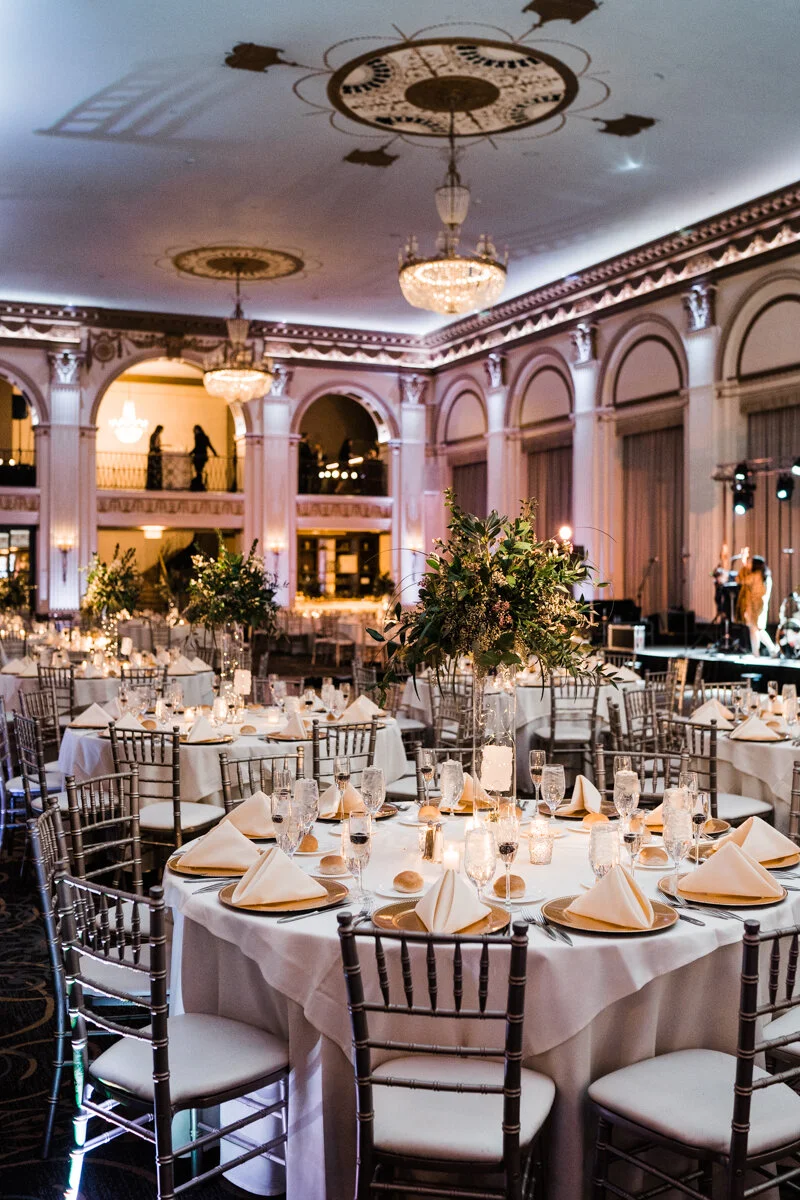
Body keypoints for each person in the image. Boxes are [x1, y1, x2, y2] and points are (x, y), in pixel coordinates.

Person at [736, 547, 777, 657]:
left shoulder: (756, 576)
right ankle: (771, 650)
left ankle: (757, 653)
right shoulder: (765, 575)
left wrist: (744, 565)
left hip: (754, 606)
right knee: (758, 629)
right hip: (761, 606)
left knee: (755, 629)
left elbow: (740, 580)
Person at [190, 424, 217, 492]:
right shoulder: (205, 437)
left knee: (198, 471)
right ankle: (200, 484)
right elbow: (210, 446)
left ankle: (198, 485)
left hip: (198, 456)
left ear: (197, 430)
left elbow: (197, 447)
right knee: (200, 470)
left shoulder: (197, 436)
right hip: (203, 456)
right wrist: (215, 453)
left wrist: (190, 453)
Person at [146, 424, 163, 490]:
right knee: (154, 471)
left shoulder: (154, 435)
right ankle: (153, 485)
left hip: (154, 455)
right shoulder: (155, 436)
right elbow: (154, 446)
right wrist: (158, 449)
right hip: (154, 456)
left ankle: (153, 484)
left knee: (153, 471)